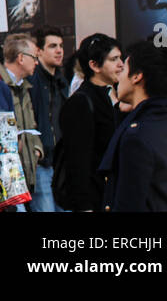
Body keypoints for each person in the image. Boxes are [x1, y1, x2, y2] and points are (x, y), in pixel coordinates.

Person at [101, 40, 167, 212]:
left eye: (124, 70)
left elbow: (128, 206)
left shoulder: (137, 135)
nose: (118, 77)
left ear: (137, 76)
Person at [54, 33, 122, 212]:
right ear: (94, 65)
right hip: (95, 200)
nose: (121, 64)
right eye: (114, 59)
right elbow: (77, 162)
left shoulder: (116, 95)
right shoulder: (81, 102)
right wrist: (85, 207)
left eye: (120, 58)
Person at [0, 33, 44, 209]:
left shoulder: (24, 86)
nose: (37, 62)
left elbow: (31, 124)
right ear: (21, 58)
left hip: (27, 171)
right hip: (8, 175)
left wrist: (37, 149)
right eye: (34, 57)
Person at [28, 26, 68, 211]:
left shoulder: (61, 80)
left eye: (60, 45)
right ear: (39, 50)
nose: (59, 50)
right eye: (53, 46)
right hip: (41, 163)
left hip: (61, 163)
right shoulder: (33, 80)